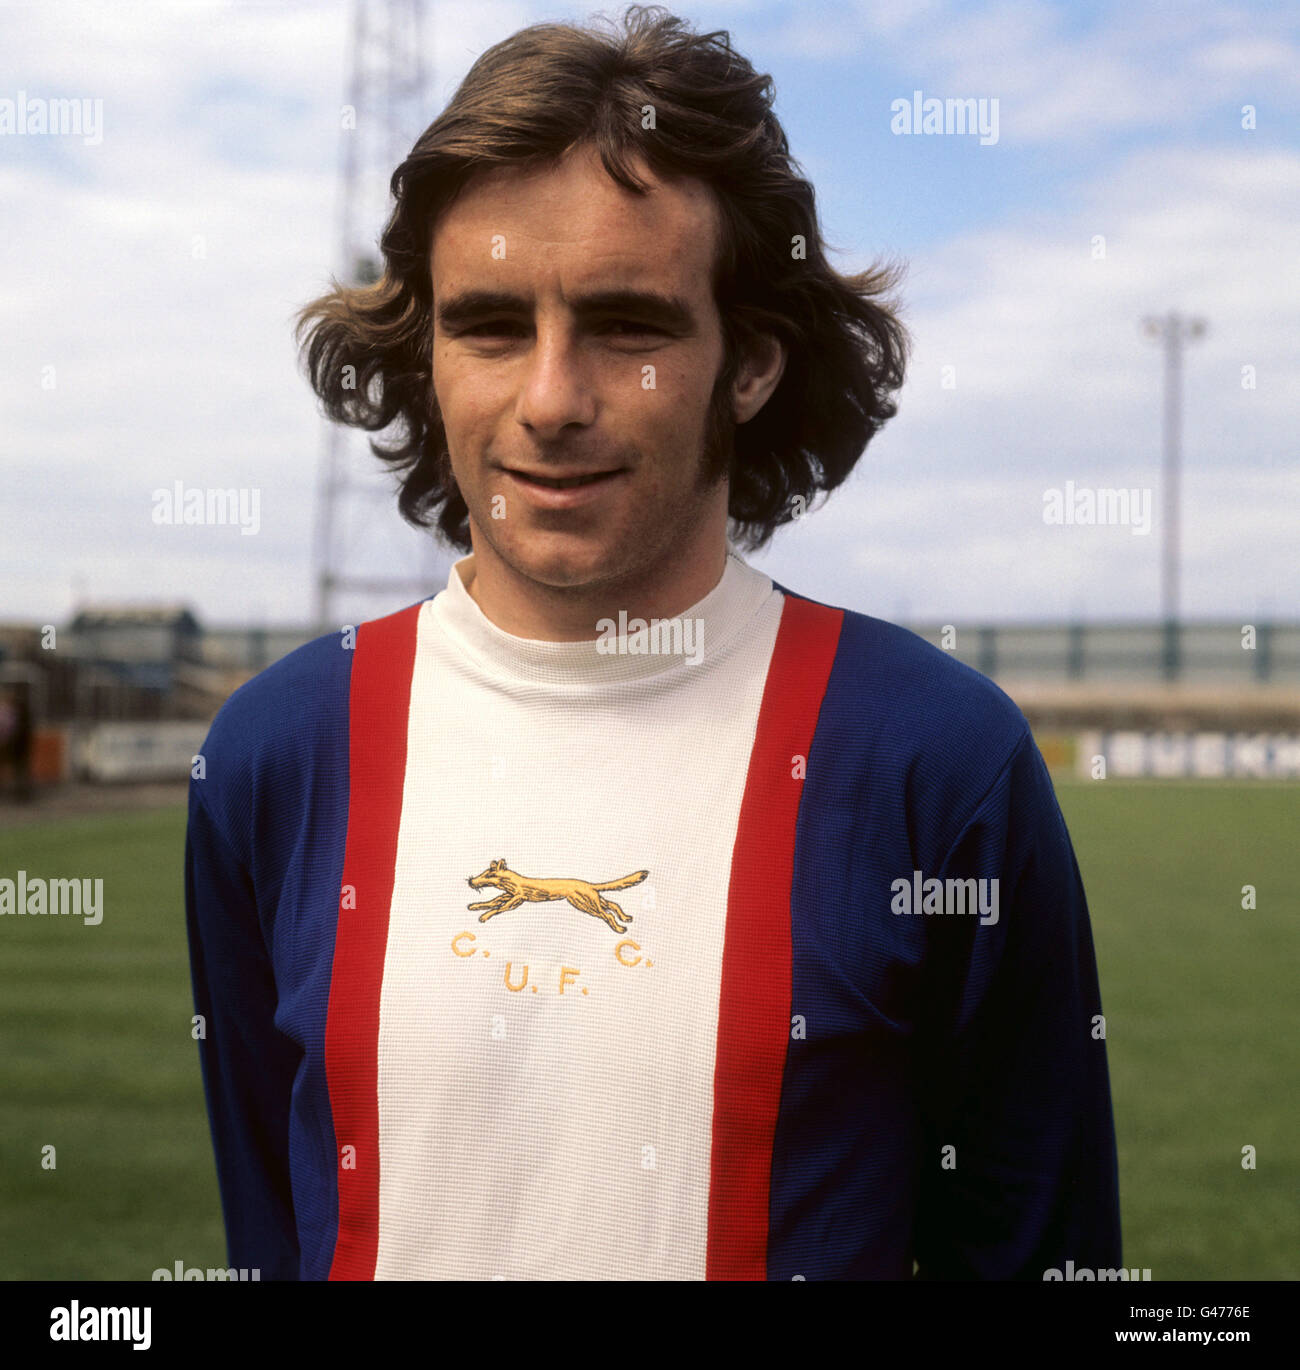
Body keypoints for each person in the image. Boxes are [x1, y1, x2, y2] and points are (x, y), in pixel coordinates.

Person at [184, 4, 1120, 1281]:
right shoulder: (277, 753)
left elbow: (1039, 1243)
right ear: (429, 355)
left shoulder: (934, 760)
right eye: (491, 324)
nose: (552, 399)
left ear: (748, 364)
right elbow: (268, 1226)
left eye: (628, 326)